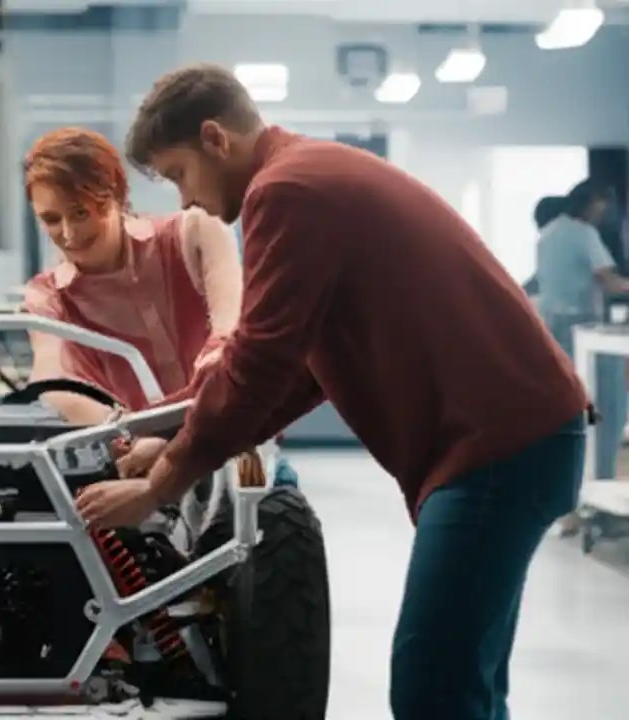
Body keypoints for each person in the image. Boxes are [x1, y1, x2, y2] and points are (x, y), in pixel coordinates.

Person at [74, 62, 591, 720]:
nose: (184, 202)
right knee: (465, 682)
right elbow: (300, 370)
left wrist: (161, 484)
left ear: (215, 139)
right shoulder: (310, 173)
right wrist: (174, 436)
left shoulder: (286, 190)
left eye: (178, 174)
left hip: (499, 449)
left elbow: (261, 359)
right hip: (522, 438)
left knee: (433, 684)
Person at [18, 127, 298, 488]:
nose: (69, 234)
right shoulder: (47, 297)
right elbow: (53, 386)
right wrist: (131, 438)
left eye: (82, 213)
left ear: (117, 195)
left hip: (230, 451)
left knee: (277, 514)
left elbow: (231, 344)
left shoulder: (197, 233)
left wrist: (167, 440)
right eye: (52, 219)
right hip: (135, 466)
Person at [535, 181, 629, 503]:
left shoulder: (547, 234)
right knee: (609, 405)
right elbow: (609, 281)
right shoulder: (583, 233)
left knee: (571, 409)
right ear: (593, 201)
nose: (607, 213)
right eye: (605, 205)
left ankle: (566, 484)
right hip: (584, 330)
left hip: (555, 332)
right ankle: (599, 480)